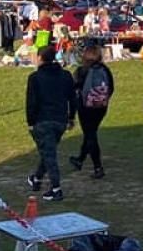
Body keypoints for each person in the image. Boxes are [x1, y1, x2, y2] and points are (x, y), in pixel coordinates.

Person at [25, 46, 77, 201]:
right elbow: (72, 98)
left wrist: (31, 121)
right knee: (48, 150)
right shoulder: (66, 75)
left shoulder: (35, 77)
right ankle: (37, 178)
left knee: (49, 155)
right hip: (60, 120)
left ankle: (56, 188)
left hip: (43, 120)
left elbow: (31, 102)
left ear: (40, 57)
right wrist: (71, 117)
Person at [69, 45, 115, 179]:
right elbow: (111, 87)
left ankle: (98, 166)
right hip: (101, 107)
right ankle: (80, 158)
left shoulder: (82, 71)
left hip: (85, 107)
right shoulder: (105, 70)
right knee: (91, 132)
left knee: (90, 135)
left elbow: (74, 89)